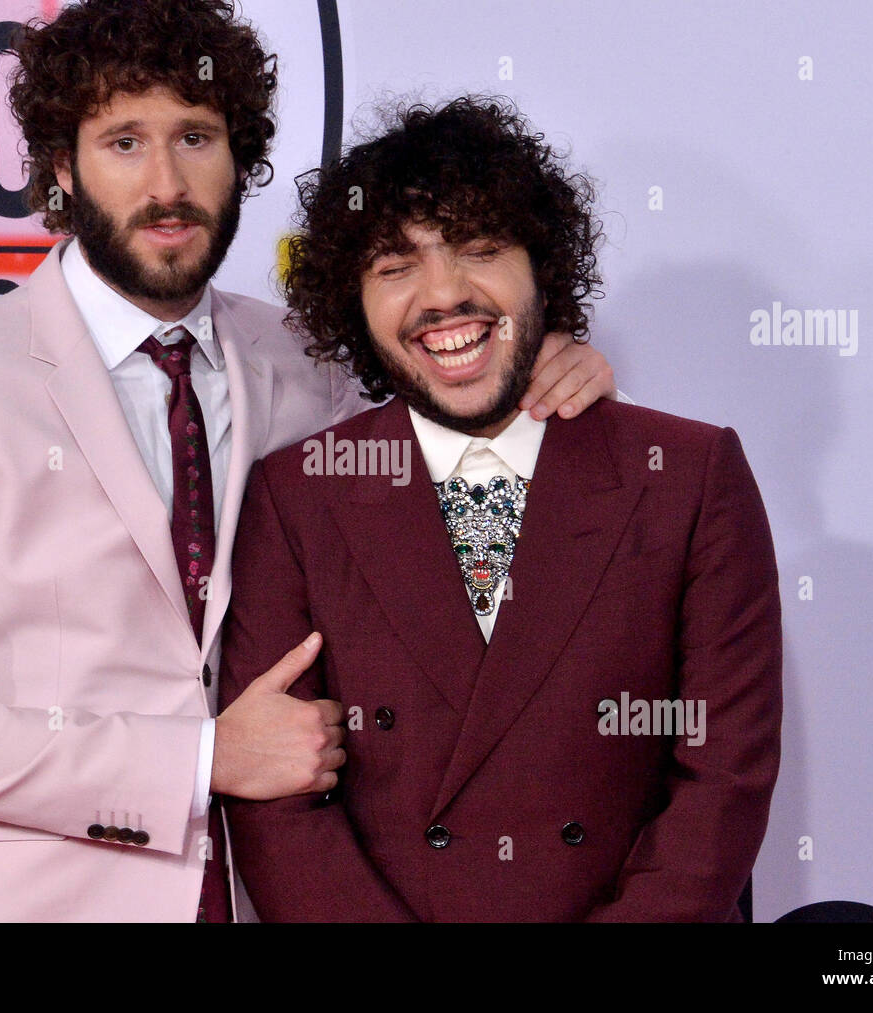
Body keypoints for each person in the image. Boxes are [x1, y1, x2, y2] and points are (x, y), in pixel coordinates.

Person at [0, 0, 616, 922]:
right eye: (124, 142)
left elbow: (452, 418)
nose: (166, 183)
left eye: (197, 138)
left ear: (239, 159)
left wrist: (547, 372)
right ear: (62, 167)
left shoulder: (306, 363)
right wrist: (204, 757)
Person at [219, 95, 783, 922]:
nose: (445, 294)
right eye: (395, 266)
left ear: (541, 268)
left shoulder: (689, 474)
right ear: (354, 303)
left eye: (480, 249)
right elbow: (279, 808)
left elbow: (724, 777)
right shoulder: (297, 496)